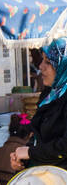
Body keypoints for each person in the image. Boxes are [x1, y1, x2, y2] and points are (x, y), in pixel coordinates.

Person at [10, 41, 67, 171]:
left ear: (63, 64)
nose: (40, 66)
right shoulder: (48, 95)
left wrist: (30, 152)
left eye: (48, 62)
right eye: (42, 60)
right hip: (43, 178)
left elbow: (64, 146)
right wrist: (22, 160)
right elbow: (38, 136)